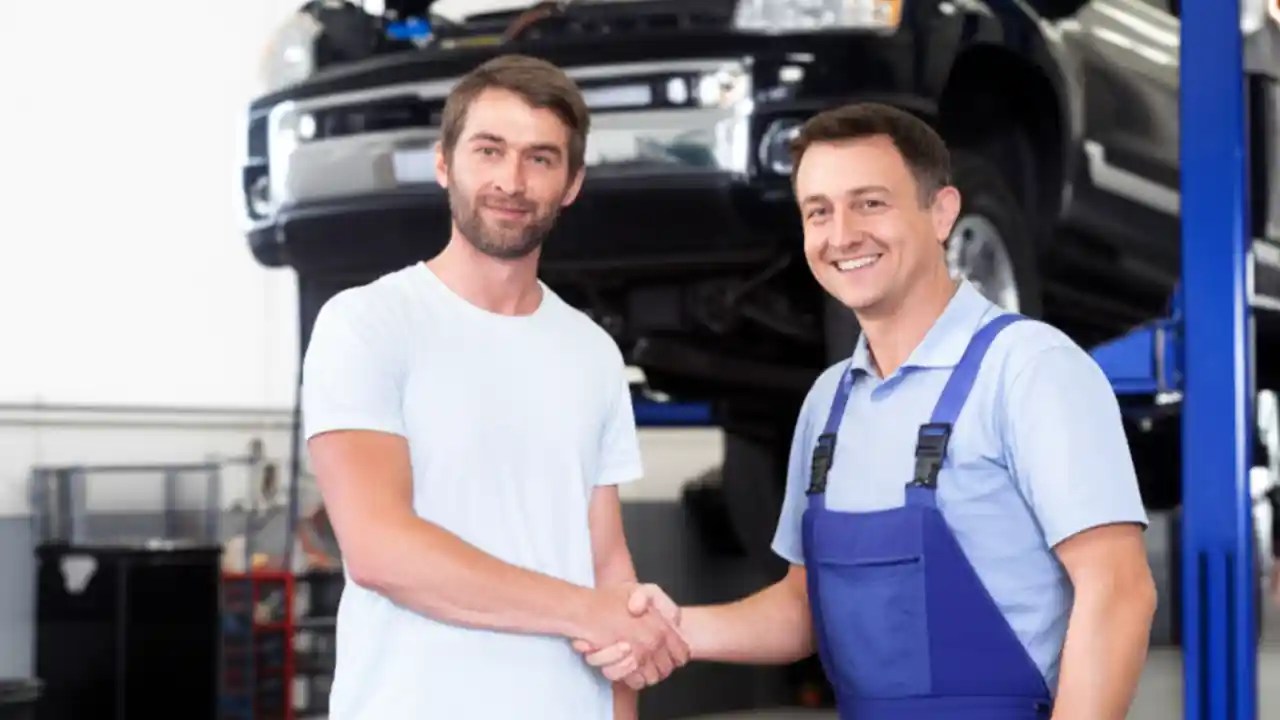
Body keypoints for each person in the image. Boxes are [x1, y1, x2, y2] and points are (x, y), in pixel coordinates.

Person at [579, 103, 1158, 719]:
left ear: (942, 212)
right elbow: (804, 609)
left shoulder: (1029, 369)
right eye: (818, 211)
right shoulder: (829, 403)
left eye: (870, 203)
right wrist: (668, 628)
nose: (843, 234)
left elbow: (1119, 591)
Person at [301, 53, 688, 720]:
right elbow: (379, 550)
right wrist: (587, 612)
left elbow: (608, 566)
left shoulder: (591, 352)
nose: (511, 180)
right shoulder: (367, 323)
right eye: (490, 150)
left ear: (571, 184)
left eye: (541, 158)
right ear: (445, 162)